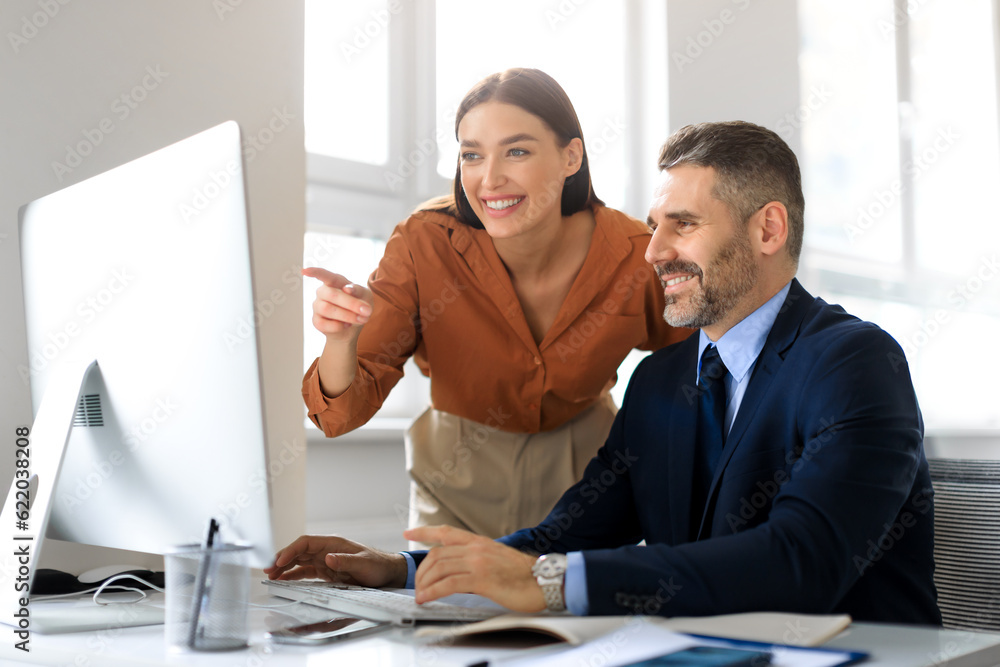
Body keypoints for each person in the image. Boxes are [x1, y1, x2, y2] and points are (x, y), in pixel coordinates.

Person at [270, 121, 940, 625]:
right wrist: (404, 569)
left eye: (682, 224)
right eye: (653, 225)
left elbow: (801, 563)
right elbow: (566, 536)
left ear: (768, 230)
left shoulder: (855, 362)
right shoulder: (658, 381)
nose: (652, 251)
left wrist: (551, 583)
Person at [302, 68, 690, 540]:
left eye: (517, 151)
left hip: (589, 483)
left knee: (577, 610)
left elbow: (701, 370)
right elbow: (342, 415)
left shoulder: (634, 252)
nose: (490, 179)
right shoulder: (424, 243)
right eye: (472, 155)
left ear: (571, 157)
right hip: (456, 480)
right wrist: (341, 340)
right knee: (451, 611)